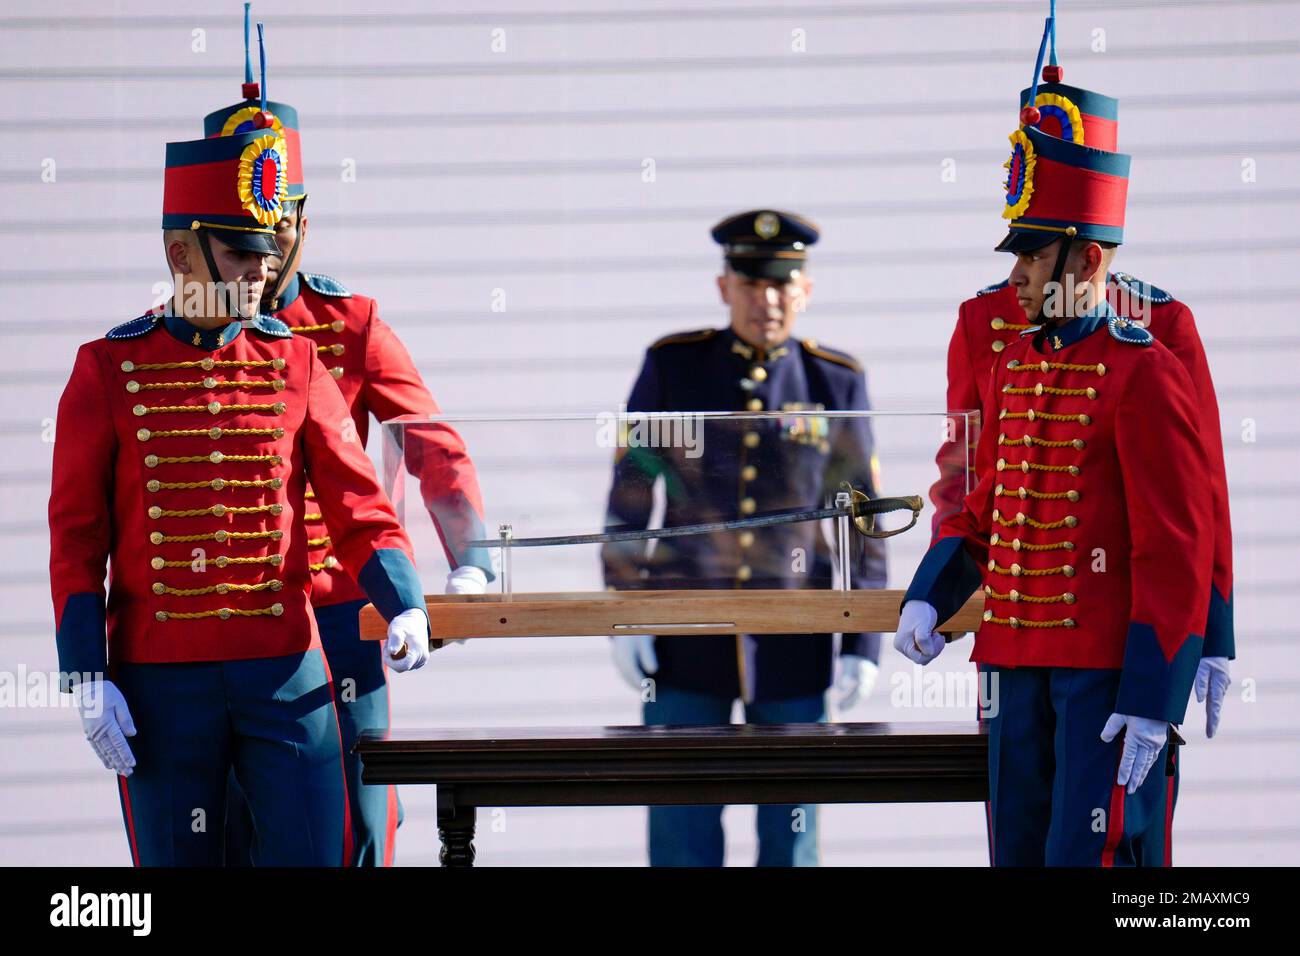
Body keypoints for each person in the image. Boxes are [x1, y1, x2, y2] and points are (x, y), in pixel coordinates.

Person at [49, 124, 432, 866]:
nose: (261, 269)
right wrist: (86, 674)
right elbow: (76, 538)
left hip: (285, 669)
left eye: (266, 249)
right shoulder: (105, 369)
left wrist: (404, 600)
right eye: (238, 251)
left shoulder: (296, 360)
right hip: (161, 682)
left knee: (319, 855)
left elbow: (358, 506)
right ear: (179, 254)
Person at [896, 88, 1219, 863]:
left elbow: (1176, 547)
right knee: (1015, 853)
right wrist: (928, 594)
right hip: (1011, 659)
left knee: (1091, 858)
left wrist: (1153, 694)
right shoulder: (1012, 362)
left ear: (1089, 259)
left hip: (1100, 674)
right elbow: (986, 509)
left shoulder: (1144, 370)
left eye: (1034, 256)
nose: (1018, 276)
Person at [205, 10, 494, 867]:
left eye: (284, 217)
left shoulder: (347, 322)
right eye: (249, 229)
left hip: (338, 611)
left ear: (303, 213)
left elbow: (430, 445)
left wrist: (468, 559)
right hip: (227, 621)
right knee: (229, 826)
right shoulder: (174, 340)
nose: (271, 244)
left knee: (360, 826)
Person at [602, 209, 888, 866]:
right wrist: (625, 608)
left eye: (783, 284)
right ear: (724, 286)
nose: (769, 300)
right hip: (685, 633)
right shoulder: (673, 369)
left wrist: (863, 642)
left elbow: (864, 520)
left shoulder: (834, 381)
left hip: (795, 637)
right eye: (753, 284)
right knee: (682, 832)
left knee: (791, 841)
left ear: (805, 291)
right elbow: (630, 495)